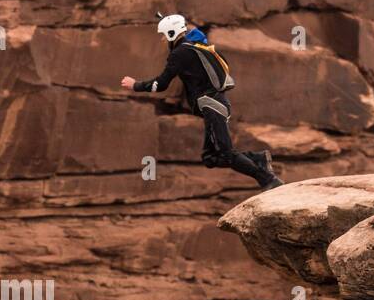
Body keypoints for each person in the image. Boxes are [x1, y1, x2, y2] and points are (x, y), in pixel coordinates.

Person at [120, 14, 283, 191]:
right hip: (215, 103)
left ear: (172, 33)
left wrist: (135, 85)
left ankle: (268, 179)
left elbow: (161, 84)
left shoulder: (180, 53)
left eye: (164, 35)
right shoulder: (196, 45)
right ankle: (258, 158)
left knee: (226, 153)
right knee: (210, 158)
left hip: (212, 104)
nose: (162, 39)